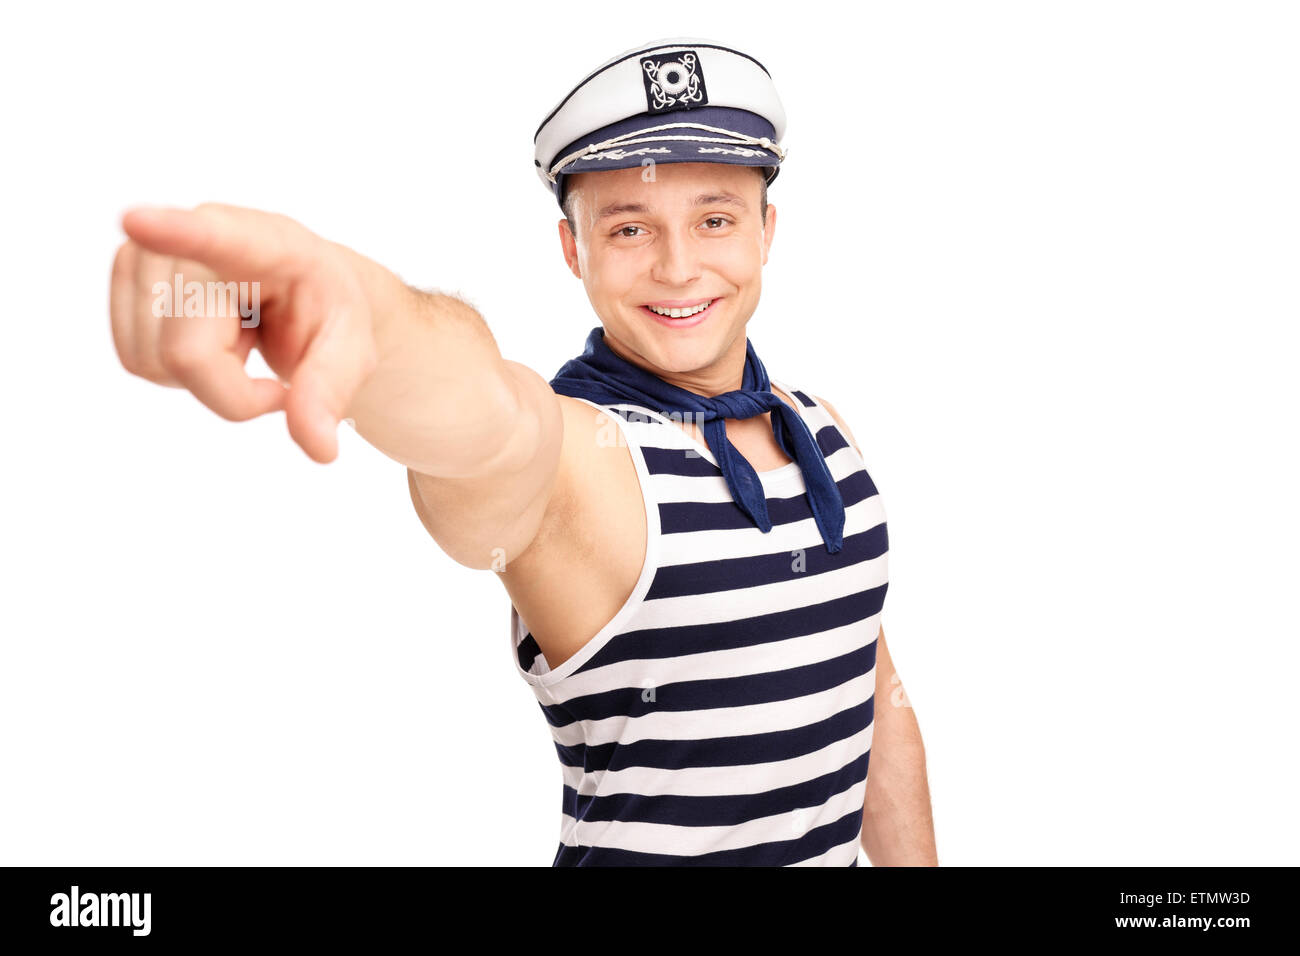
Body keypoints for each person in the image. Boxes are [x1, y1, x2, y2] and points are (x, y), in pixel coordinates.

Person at [109, 36, 937, 866]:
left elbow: (870, 694)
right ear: (573, 251)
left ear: (766, 232)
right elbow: (487, 415)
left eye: (714, 219)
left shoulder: (826, 432)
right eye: (628, 228)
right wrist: (364, 312)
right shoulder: (585, 457)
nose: (679, 267)